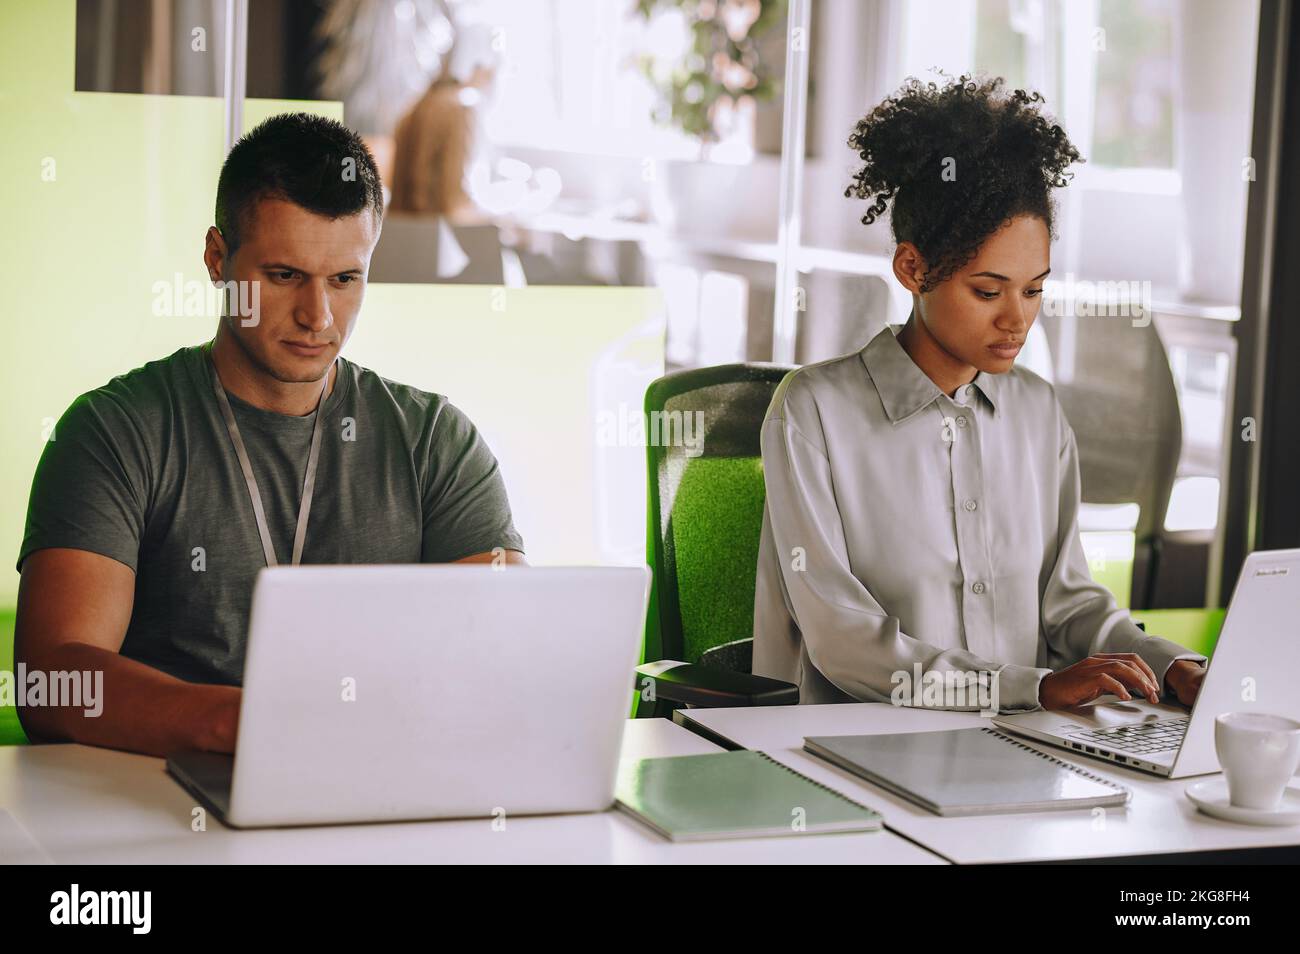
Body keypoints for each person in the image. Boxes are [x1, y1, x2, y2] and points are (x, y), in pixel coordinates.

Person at [15, 113, 525, 757]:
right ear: (217, 258)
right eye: (285, 276)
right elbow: (53, 680)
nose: (318, 317)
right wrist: (246, 726)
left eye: (345, 279)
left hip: (378, 795)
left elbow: (503, 656)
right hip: (163, 808)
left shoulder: (436, 442)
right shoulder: (113, 431)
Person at [752, 75, 1207, 712]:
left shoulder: (1038, 413)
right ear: (913, 270)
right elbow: (842, 639)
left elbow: (1069, 602)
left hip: (1023, 744)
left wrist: (1171, 665)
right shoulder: (813, 413)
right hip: (854, 757)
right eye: (988, 291)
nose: (1017, 319)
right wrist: (1032, 687)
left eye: (1035, 289)